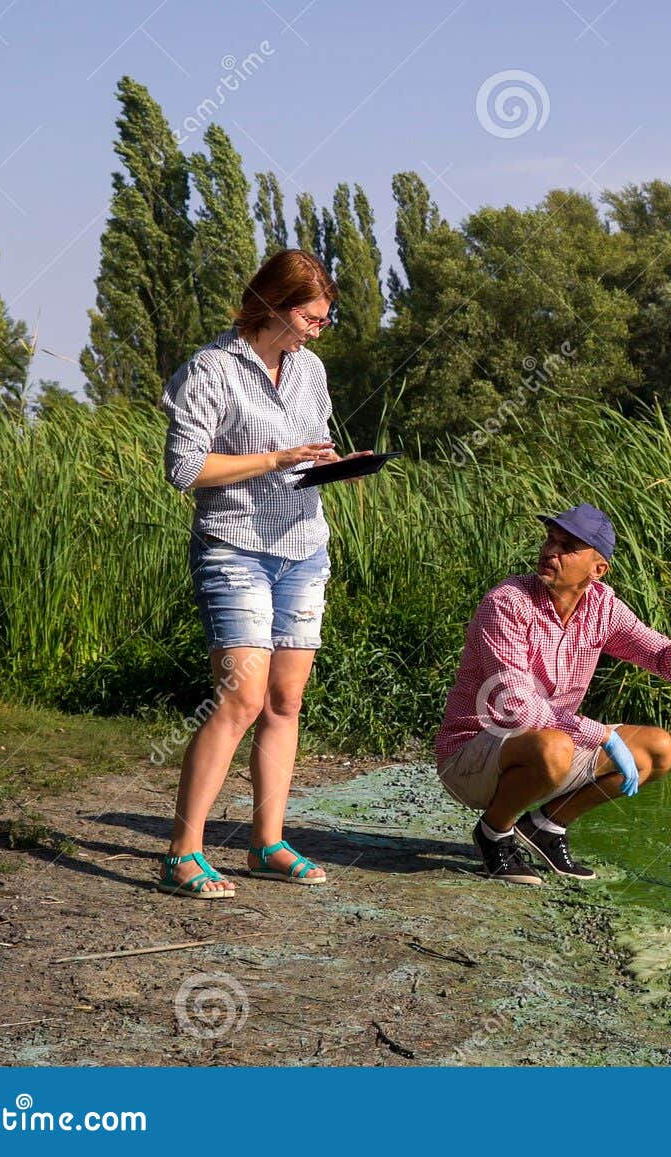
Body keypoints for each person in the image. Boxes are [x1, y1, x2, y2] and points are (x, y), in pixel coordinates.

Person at [156, 248, 371, 899]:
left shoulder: (310, 371)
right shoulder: (211, 369)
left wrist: (332, 465)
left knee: (284, 701)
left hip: (304, 547)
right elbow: (185, 469)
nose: (318, 330)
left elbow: (307, 452)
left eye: (324, 320)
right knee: (241, 698)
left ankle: (266, 843)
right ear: (273, 306)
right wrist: (275, 458)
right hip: (234, 546)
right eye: (311, 318)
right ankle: (182, 853)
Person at [435, 503, 671, 885]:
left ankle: (546, 827)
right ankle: (493, 833)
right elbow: (516, 706)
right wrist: (603, 735)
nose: (551, 551)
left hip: (549, 746)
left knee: (658, 748)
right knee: (555, 746)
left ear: (598, 570)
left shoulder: (603, 607)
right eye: (550, 539)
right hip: (471, 757)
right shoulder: (508, 602)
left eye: (567, 546)